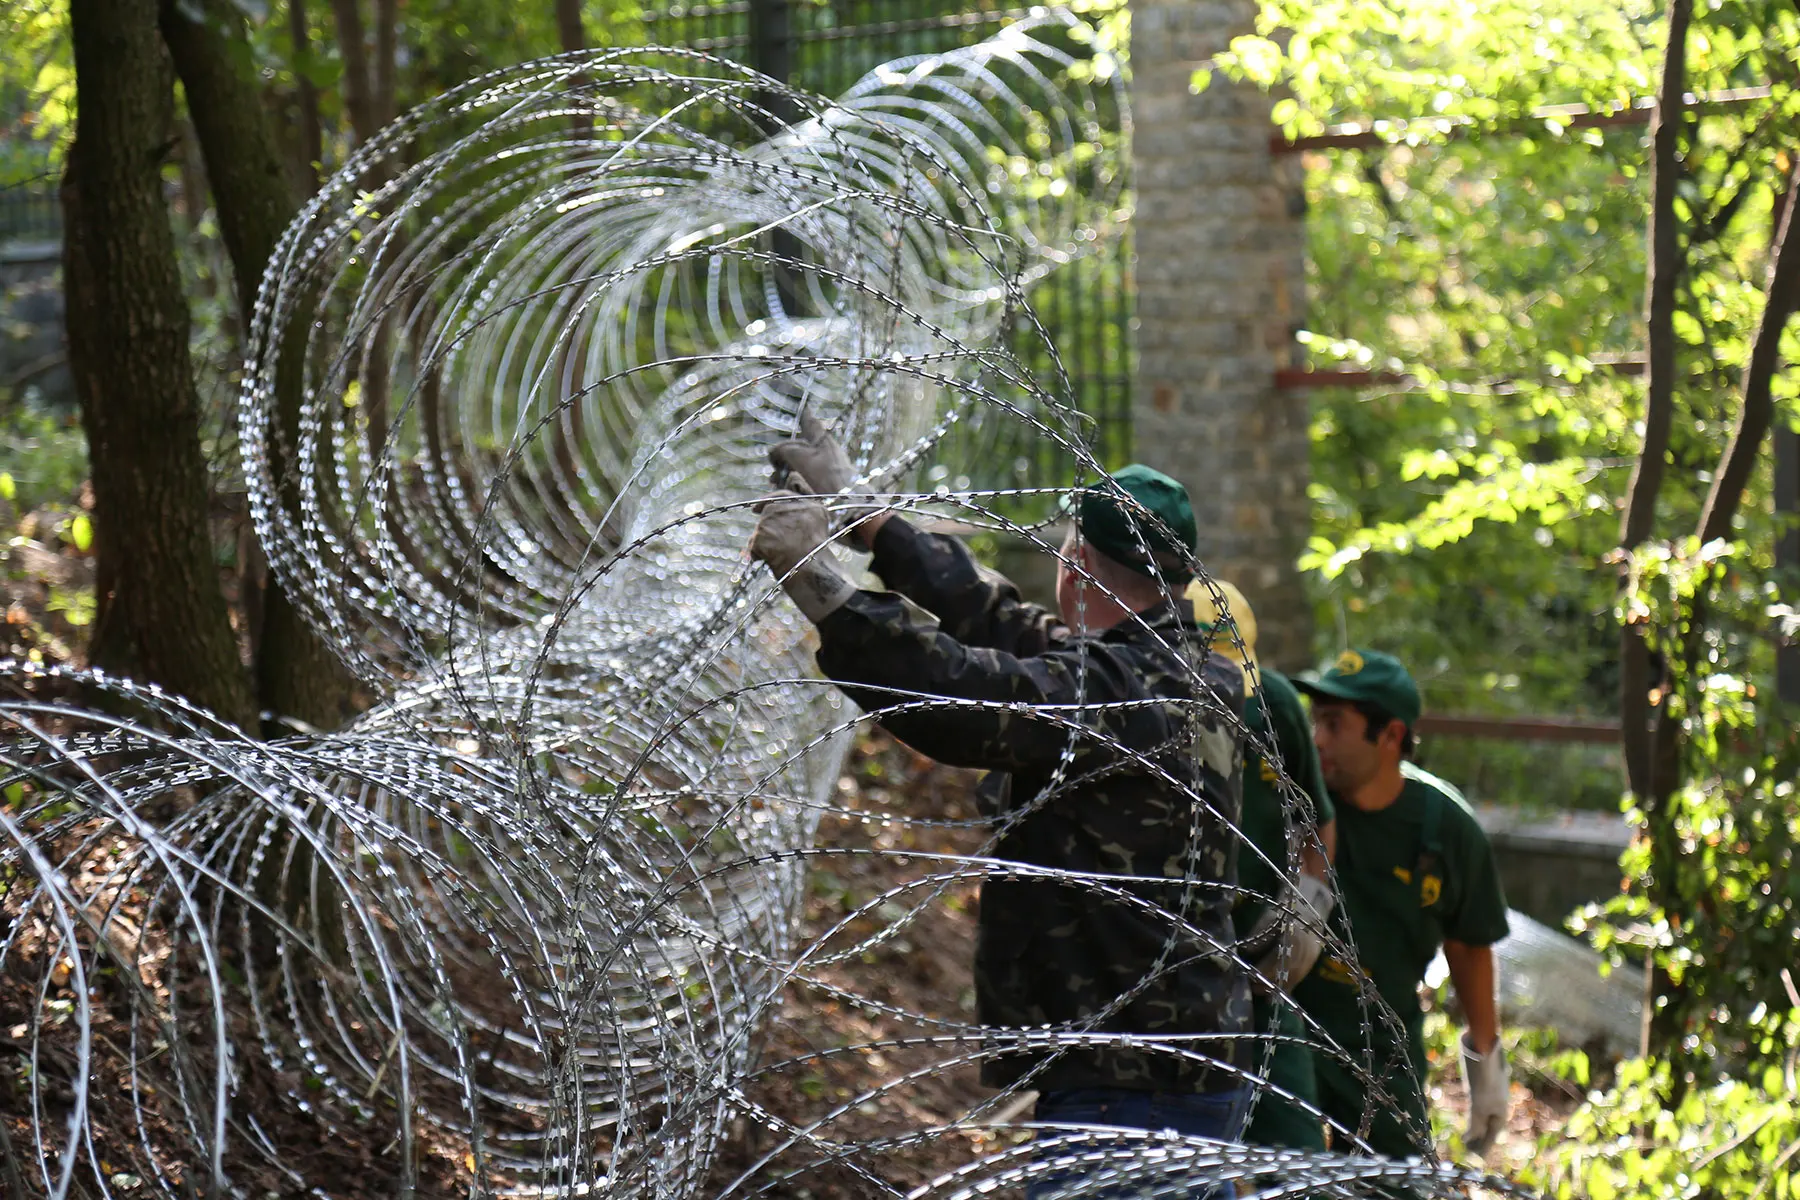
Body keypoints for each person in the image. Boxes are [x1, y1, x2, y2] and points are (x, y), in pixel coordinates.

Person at [749, 417, 1255, 1165]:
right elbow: (1001, 623)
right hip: (1164, 1059)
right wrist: (874, 521)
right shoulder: (1173, 672)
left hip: (1131, 1078)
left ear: (1075, 562)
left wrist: (823, 588)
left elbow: (963, 696)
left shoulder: (1121, 695)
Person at [1290, 650, 1513, 1159]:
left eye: (1335, 724)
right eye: (1315, 721)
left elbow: (1468, 944)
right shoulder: (1295, 803)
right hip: (1291, 1032)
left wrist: (1486, 1067)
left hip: (1384, 1048)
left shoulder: (1446, 829)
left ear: (1390, 736)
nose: (1317, 738)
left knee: (1393, 1183)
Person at [1187, 580, 1337, 1153]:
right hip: (1171, 969)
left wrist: (1307, 907)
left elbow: (1318, 821)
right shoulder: (1141, 712)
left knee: (1298, 1153)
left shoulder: (1273, 708)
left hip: (1259, 958)